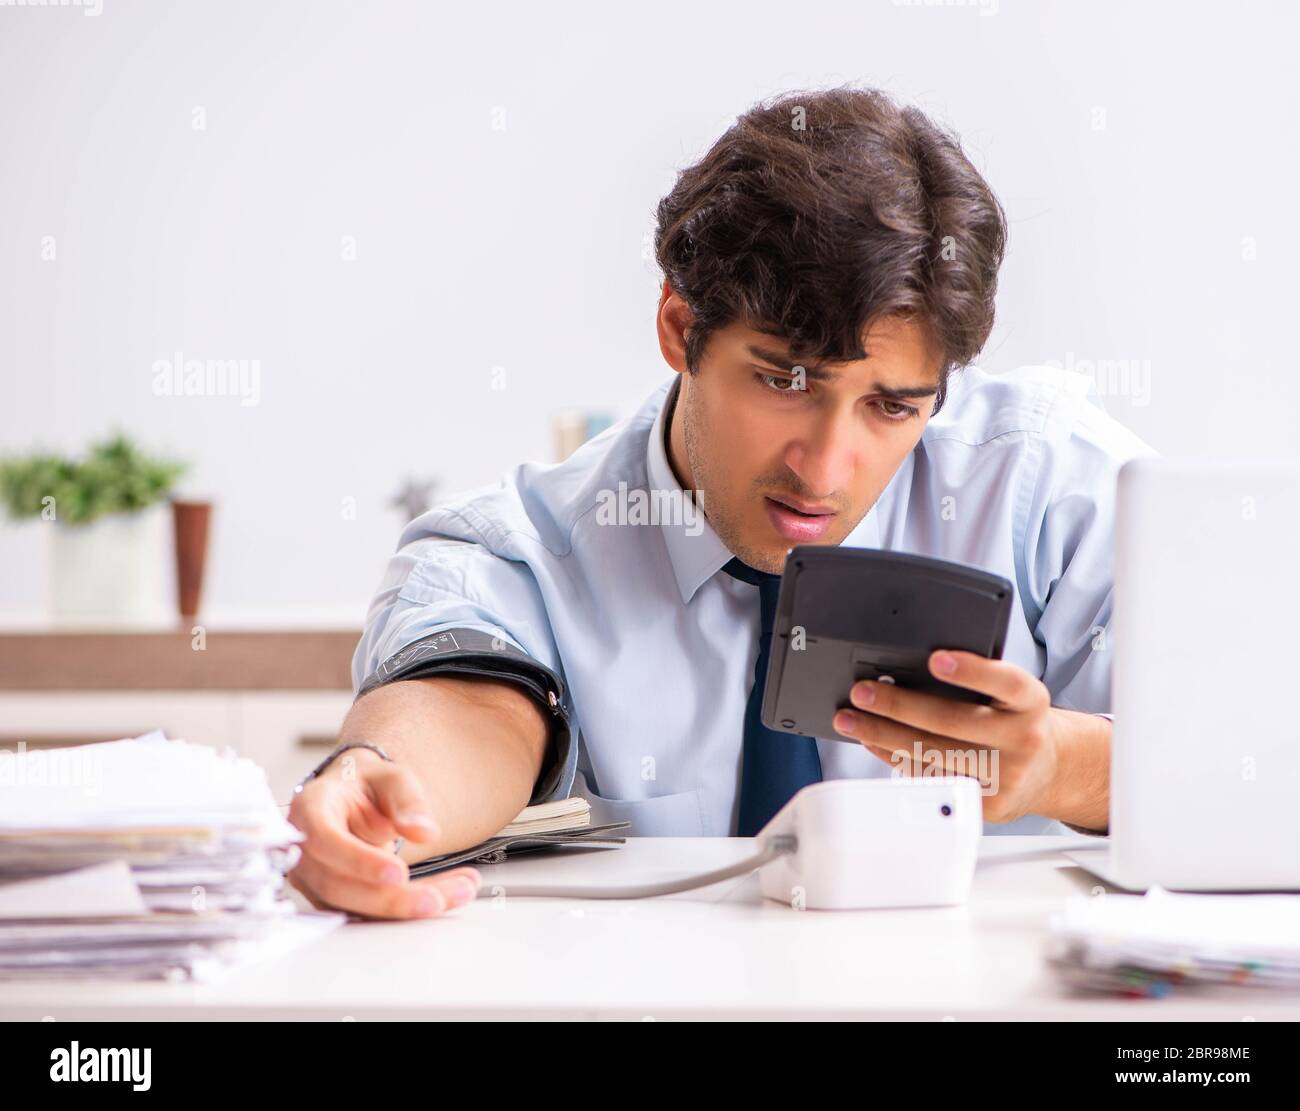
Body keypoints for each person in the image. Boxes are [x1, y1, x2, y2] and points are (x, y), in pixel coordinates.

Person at [288, 86, 1153, 919]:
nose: (824, 468)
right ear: (679, 326)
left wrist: (1056, 769)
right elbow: (470, 704)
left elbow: (1252, 764)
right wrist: (382, 782)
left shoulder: (1049, 483)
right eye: (783, 380)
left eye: (892, 406)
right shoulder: (520, 552)